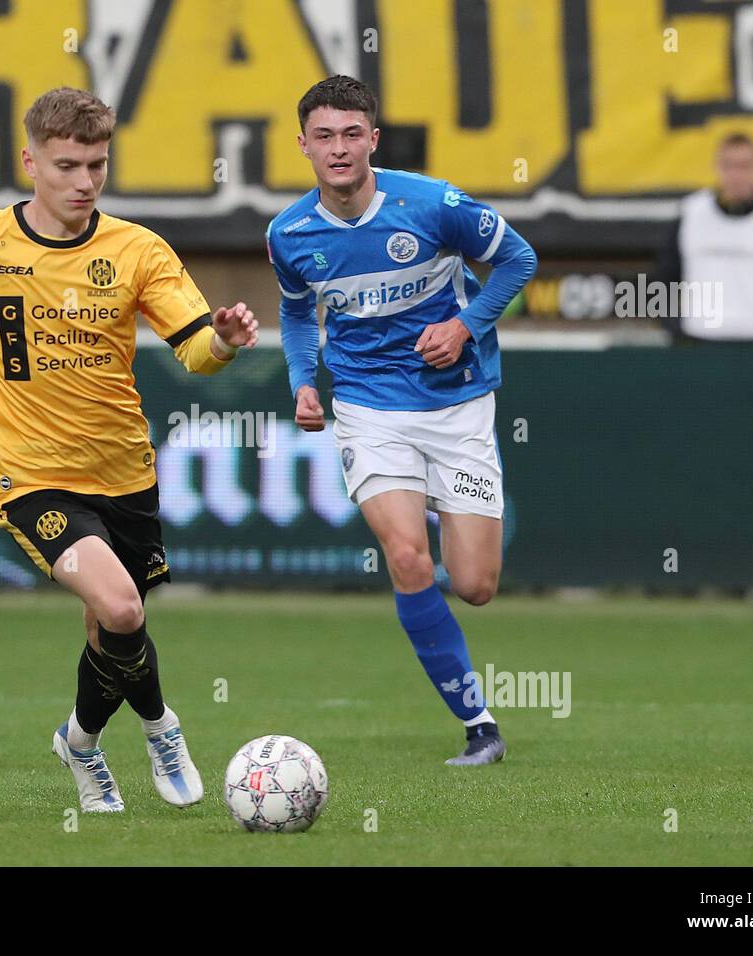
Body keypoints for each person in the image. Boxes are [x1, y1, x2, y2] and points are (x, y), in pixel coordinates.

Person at [0, 87, 258, 812]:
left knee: (107, 630)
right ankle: (160, 725)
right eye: (66, 165)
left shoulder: (137, 249)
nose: (85, 182)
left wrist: (225, 342)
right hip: (33, 477)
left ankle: (81, 745)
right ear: (30, 162)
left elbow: (196, 354)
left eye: (96, 164)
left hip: (125, 475)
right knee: (122, 611)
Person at [267, 76, 537, 766]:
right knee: (408, 556)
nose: (339, 149)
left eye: (352, 134)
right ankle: (479, 724)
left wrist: (466, 324)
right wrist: (305, 382)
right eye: (324, 136)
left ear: (373, 140)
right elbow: (298, 311)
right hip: (367, 406)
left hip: (457, 402)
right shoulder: (290, 233)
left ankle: (454, 557)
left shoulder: (432, 203)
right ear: (303, 145)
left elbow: (518, 258)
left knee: (475, 585)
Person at [655, 132, 753, 341]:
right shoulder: (692, 213)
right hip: (699, 341)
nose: (736, 175)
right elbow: (663, 277)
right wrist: (677, 329)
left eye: (745, 166)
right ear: (717, 168)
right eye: (729, 165)